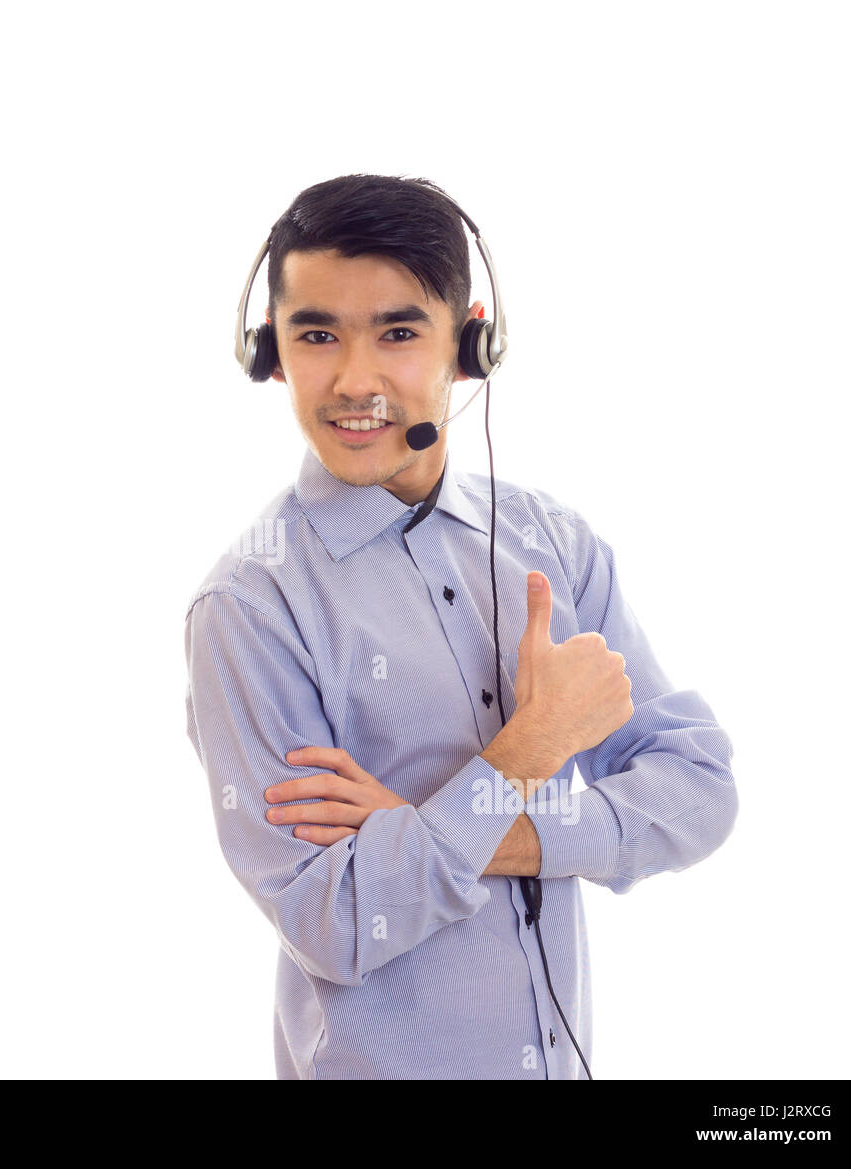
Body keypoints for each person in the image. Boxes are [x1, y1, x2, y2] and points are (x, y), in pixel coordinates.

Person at [183, 173, 738, 1080]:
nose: (355, 379)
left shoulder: (553, 543)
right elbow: (335, 917)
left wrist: (448, 828)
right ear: (271, 353)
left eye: (399, 332)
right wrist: (529, 752)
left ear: (472, 342)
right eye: (316, 334)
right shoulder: (249, 609)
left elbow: (701, 789)